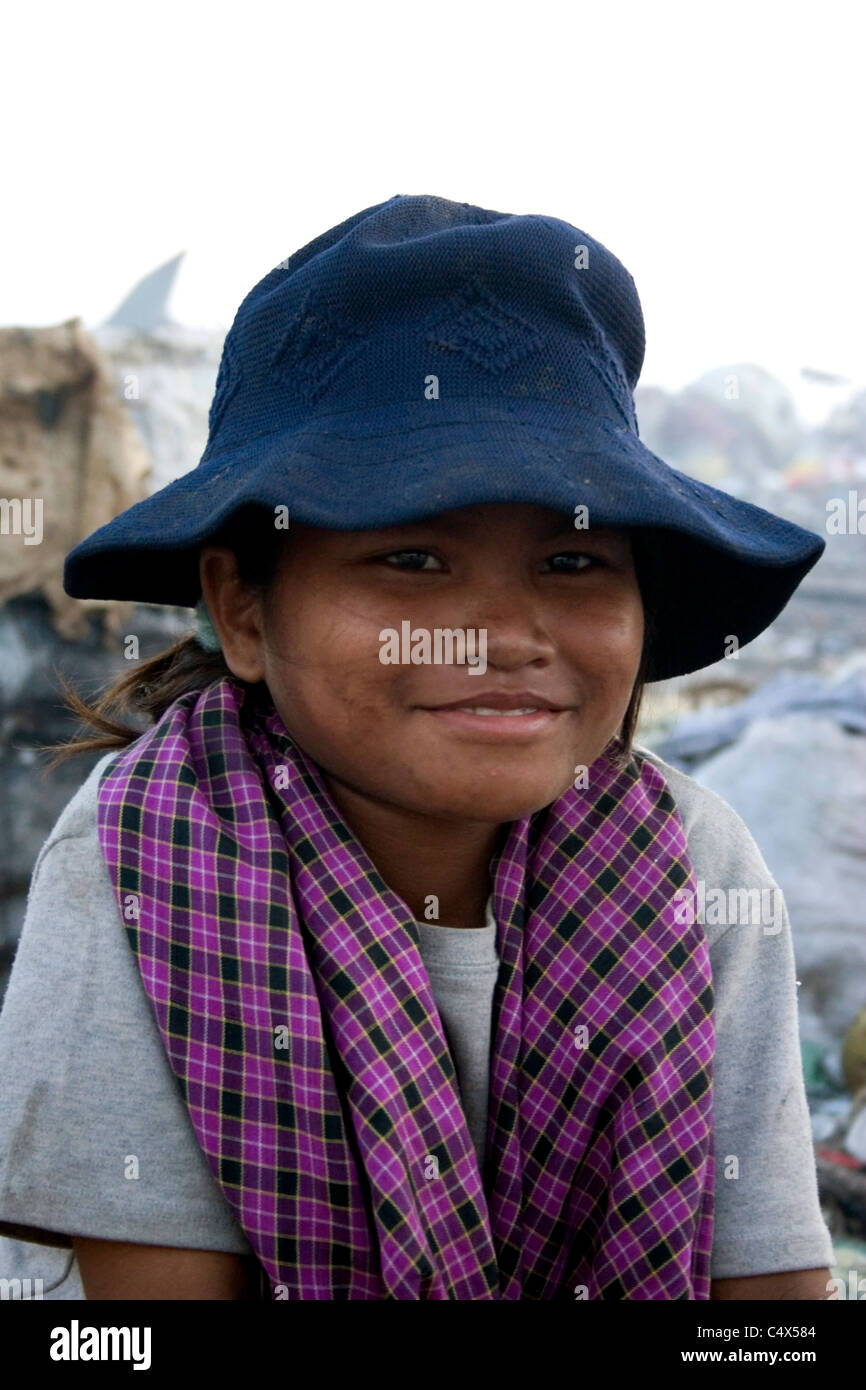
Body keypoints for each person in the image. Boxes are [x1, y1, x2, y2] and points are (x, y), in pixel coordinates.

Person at [0, 194, 835, 1300]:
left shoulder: (692, 867)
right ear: (243, 610)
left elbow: (764, 1298)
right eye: (413, 559)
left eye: (573, 565)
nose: (505, 634)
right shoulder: (144, 858)